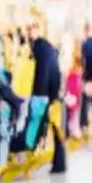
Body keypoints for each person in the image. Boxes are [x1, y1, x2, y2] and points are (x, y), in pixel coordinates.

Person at [30, 30, 67, 174]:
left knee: (44, 128)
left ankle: (41, 157)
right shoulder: (51, 53)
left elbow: (41, 79)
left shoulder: (43, 56)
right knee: (57, 131)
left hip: (49, 99)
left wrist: (37, 97)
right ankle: (59, 163)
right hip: (56, 99)